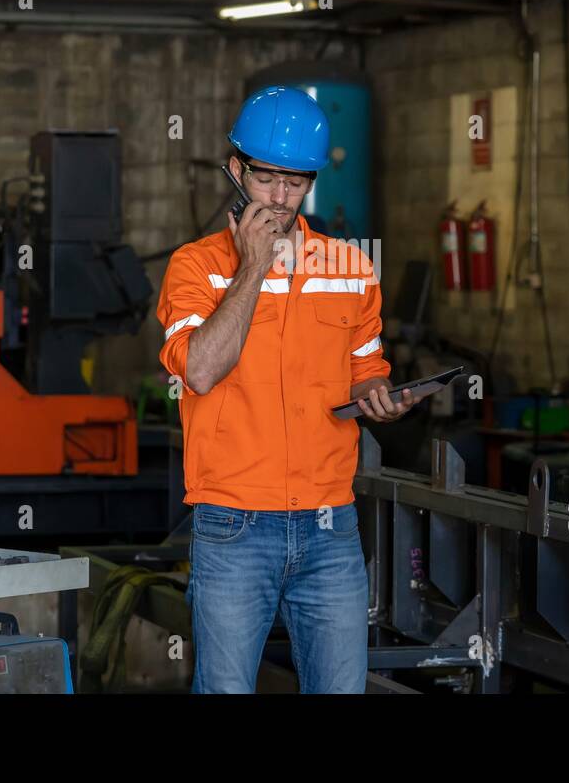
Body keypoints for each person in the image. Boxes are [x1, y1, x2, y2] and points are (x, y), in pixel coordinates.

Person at [157, 85, 423, 693]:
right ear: (235, 171)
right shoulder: (195, 268)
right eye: (267, 180)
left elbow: (365, 365)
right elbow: (198, 370)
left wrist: (380, 393)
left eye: (296, 183)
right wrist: (254, 264)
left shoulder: (349, 268)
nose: (280, 199)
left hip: (331, 525)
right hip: (233, 526)